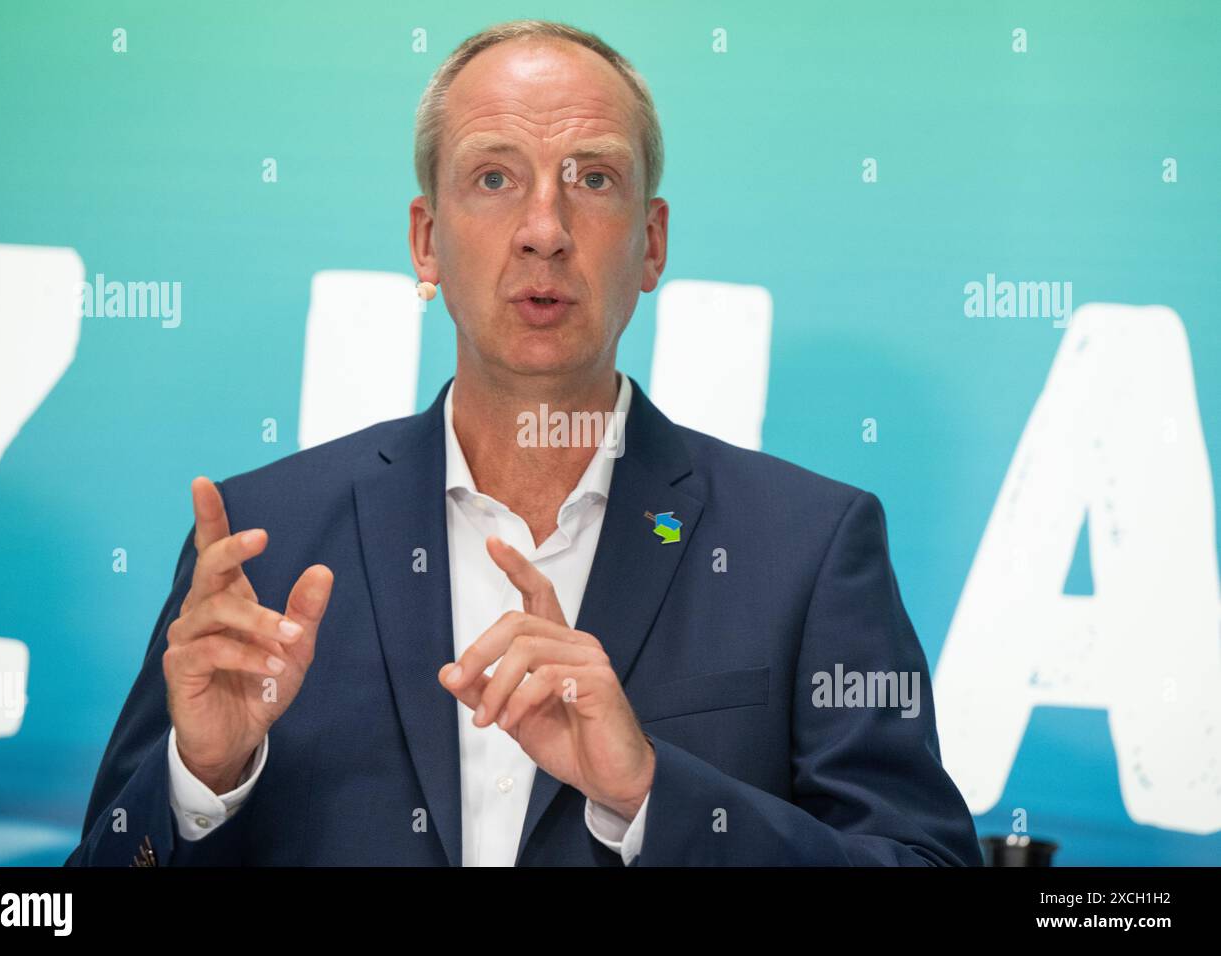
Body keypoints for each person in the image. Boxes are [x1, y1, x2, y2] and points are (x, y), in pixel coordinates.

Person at [66, 19, 982, 867]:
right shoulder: (264, 541)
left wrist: (654, 794)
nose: (545, 231)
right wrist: (200, 781)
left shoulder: (809, 546)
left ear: (652, 244)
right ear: (426, 242)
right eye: (495, 178)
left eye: (592, 178)